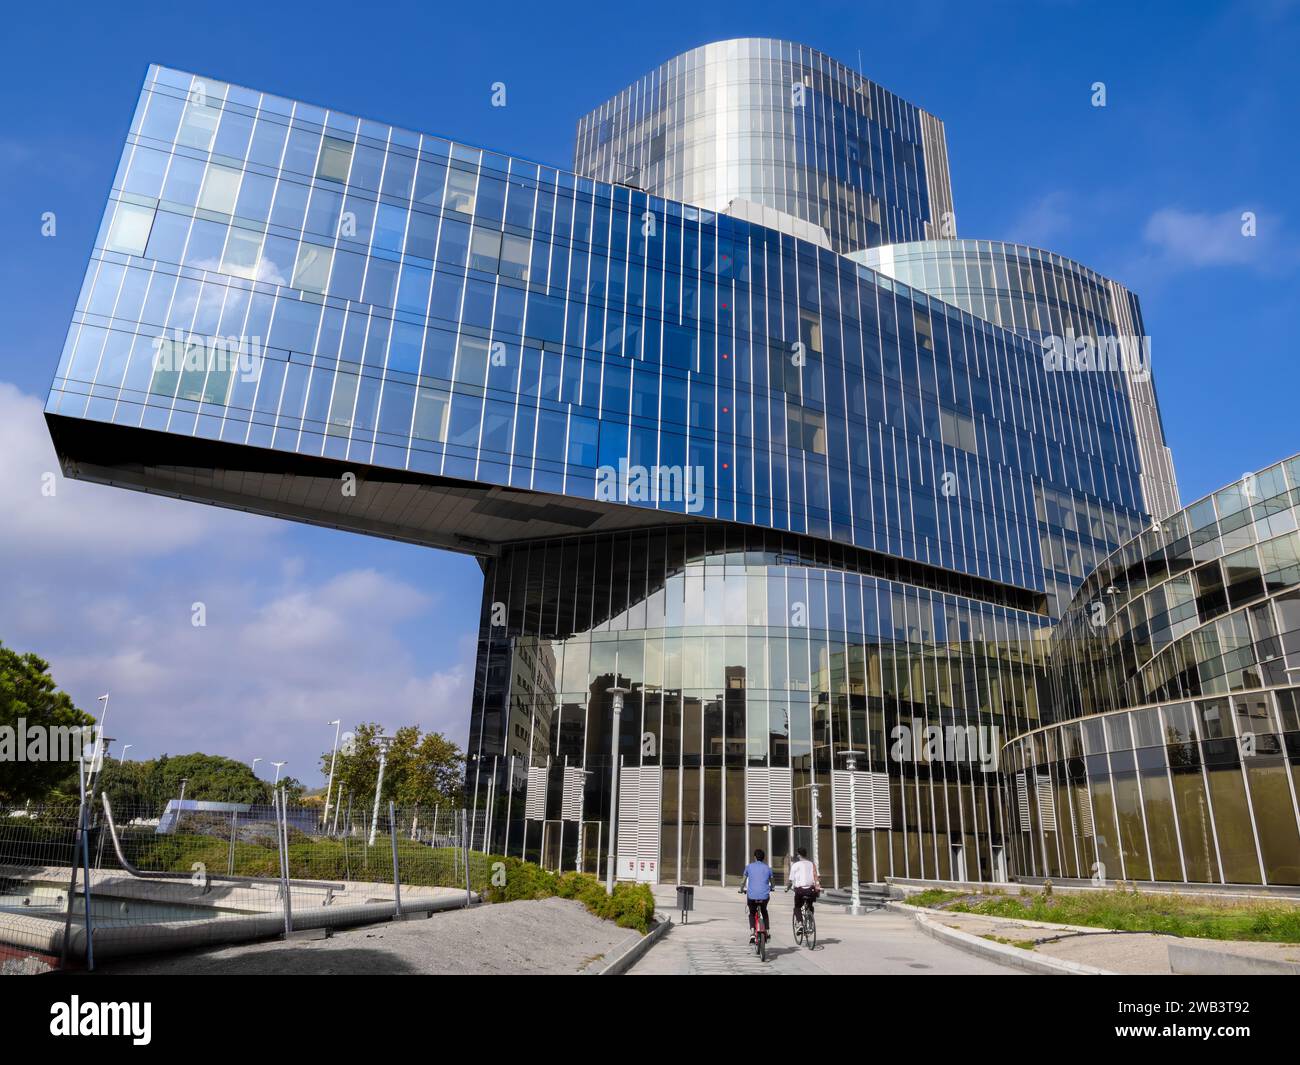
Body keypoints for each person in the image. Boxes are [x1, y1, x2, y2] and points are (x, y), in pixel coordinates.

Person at [740, 848, 774, 941]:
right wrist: (772, 888)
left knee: (752, 913)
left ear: (754, 857)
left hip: (751, 896)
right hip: (764, 896)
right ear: (764, 858)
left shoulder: (749, 867)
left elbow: (743, 881)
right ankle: (767, 930)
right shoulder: (768, 868)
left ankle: (752, 932)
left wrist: (741, 889)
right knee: (764, 911)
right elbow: (772, 883)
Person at [787, 846, 820, 921]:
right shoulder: (812, 864)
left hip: (800, 890)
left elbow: (791, 880)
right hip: (811, 890)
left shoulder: (795, 865)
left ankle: (800, 923)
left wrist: (787, 888)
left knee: (797, 907)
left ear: (798, 855)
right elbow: (817, 876)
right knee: (810, 905)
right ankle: (810, 920)